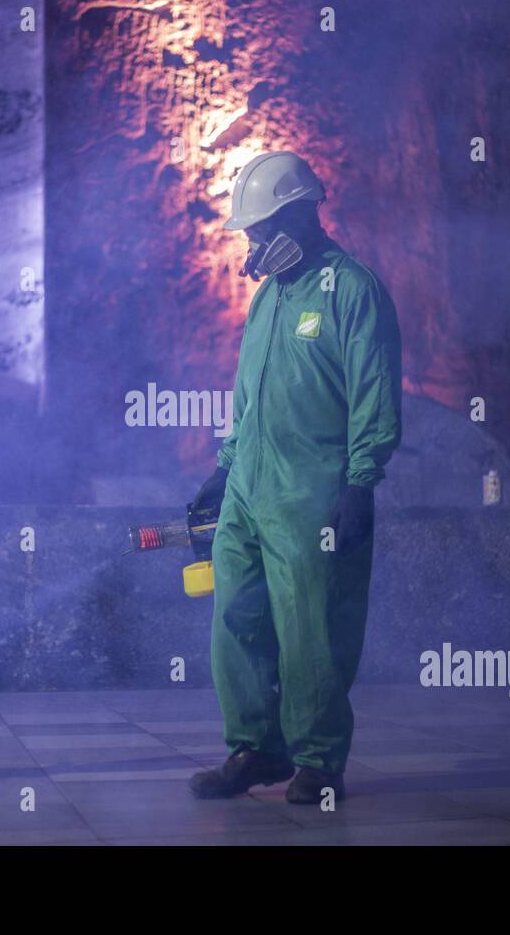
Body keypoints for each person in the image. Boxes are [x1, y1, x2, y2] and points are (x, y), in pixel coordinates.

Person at [188, 150, 402, 804]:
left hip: (312, 492)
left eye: (260, 228)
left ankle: (317, 760)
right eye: (249, 231)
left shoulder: (353, 290)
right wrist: (223, 472)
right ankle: (255, 748)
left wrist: (361, 482)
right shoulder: (268, 298)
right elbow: (248, 395)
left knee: (311, 625)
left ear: (302, 215)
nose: (252, 243)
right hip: (250, 490)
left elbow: (374, 392)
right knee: (238, 618)